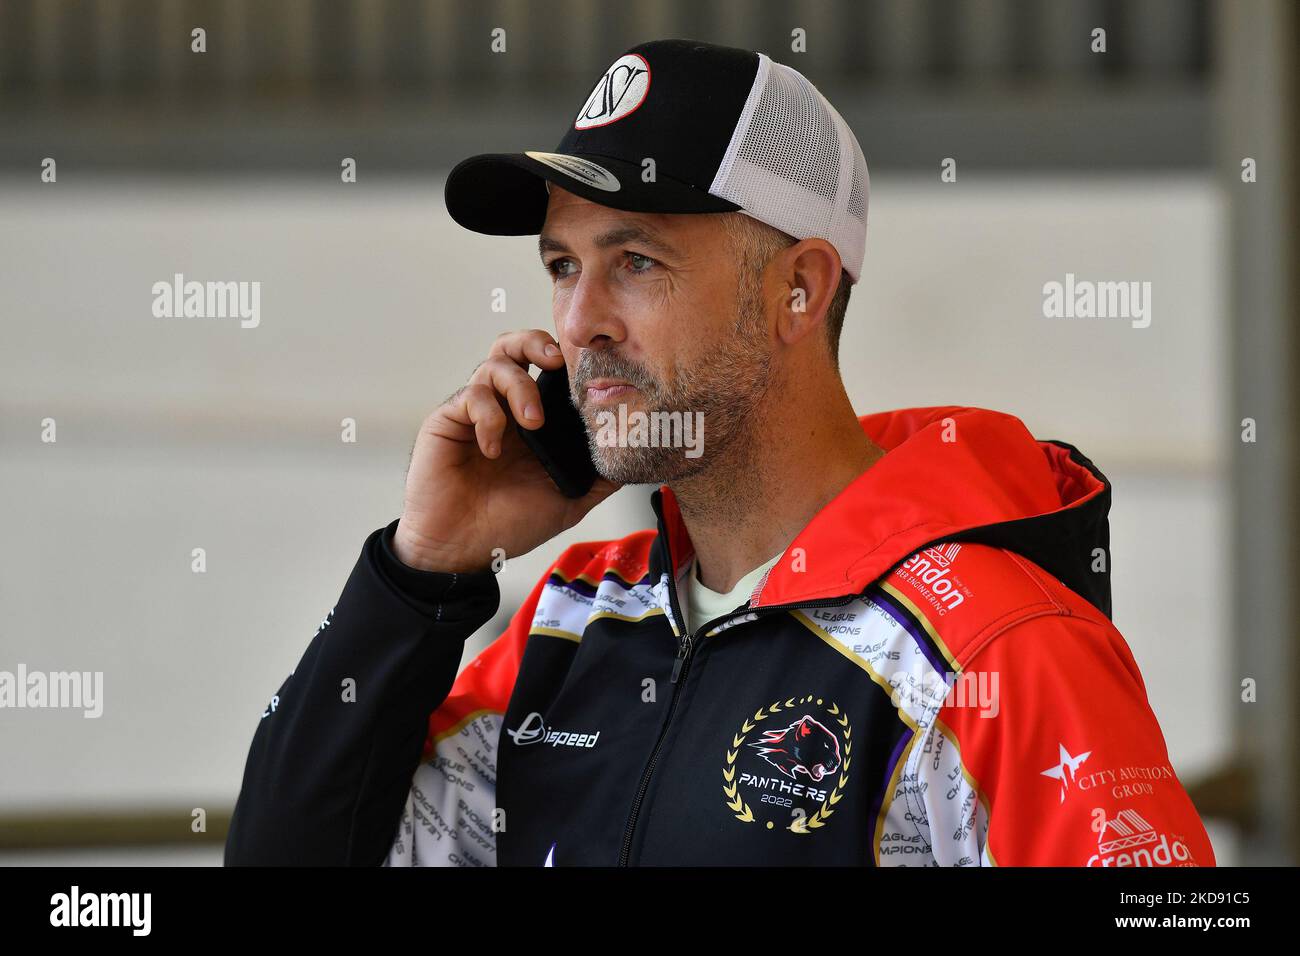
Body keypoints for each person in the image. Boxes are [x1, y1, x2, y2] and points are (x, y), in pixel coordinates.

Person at [225, 38, 1215, 867]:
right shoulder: (574, 625)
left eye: (635, 262)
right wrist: (418, 575)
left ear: (799, 288)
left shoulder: (995, 650)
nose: (577, 323)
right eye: (562, 267)